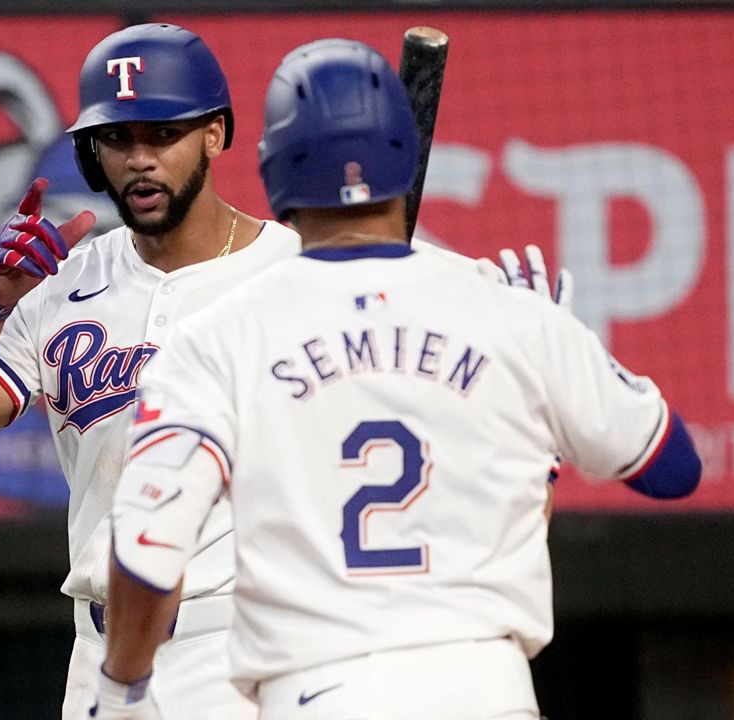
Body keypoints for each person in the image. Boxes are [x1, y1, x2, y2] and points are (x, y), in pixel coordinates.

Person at [0, 23, 566, 719]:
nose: (140, 160)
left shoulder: (308, 269)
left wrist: (523, 357)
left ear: (215, 134)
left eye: (163, 134)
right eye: (118, 139)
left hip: (248, 649)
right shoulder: (61, 286)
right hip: (100, 653)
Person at [100, 38, 701, 720]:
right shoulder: (510, 314)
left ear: (273, 167)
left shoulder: (218, 336)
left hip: (316, 690)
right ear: (406, 160)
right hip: (486, 686)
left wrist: (120, 691)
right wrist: (552, 405)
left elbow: (147, 551)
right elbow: (673, 466)